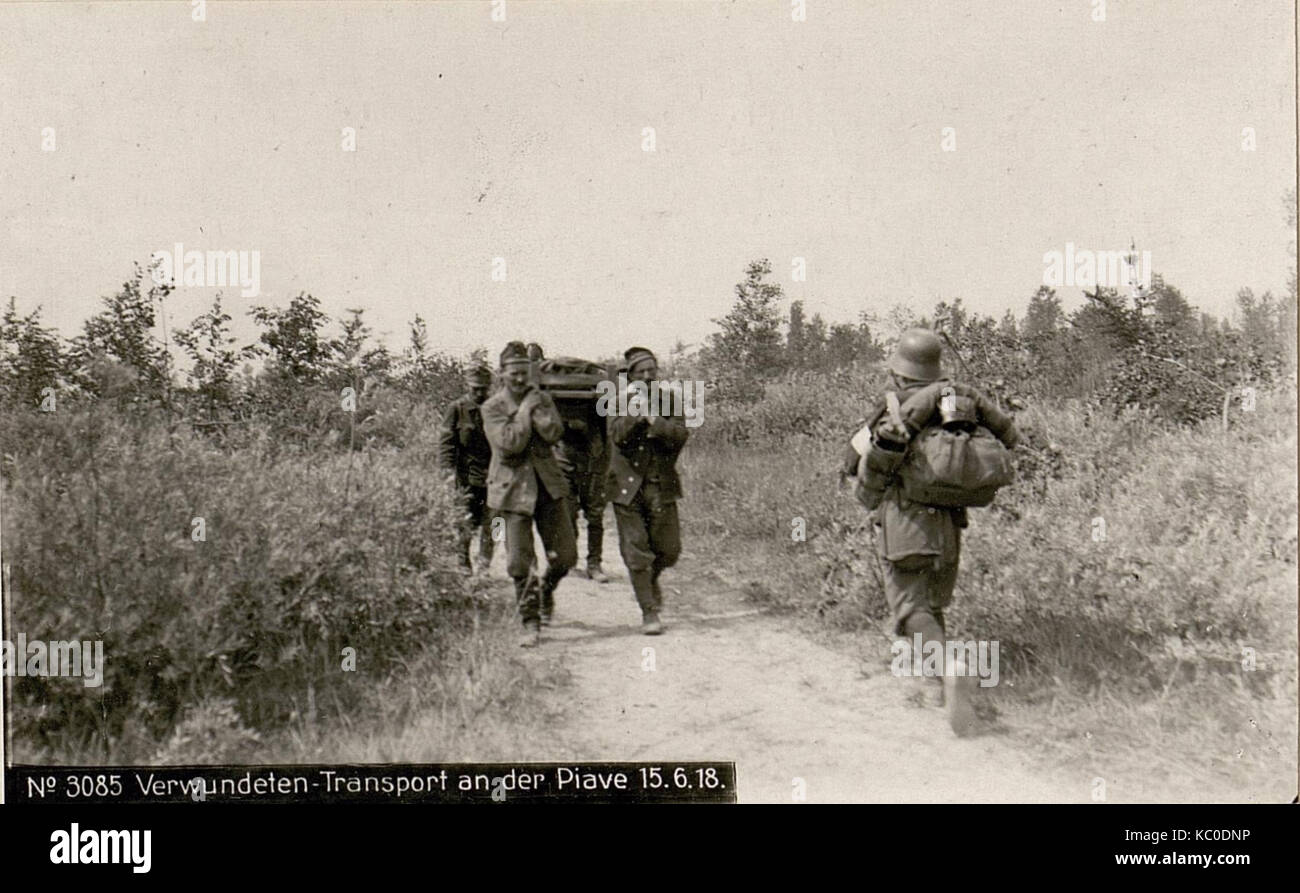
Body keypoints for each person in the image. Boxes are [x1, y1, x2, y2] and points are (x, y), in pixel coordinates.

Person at [844, 328, 1018, 734]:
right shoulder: (963, 404)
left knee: (910, 609)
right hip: (950, 524)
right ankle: (936, 685)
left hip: (905, 522)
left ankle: (948, 667)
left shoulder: (894, 407)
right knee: (932, 604)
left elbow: (852, 459)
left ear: (901, 374)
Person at [482, 341, 577, 647]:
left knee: (565, 556)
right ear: (501, 374)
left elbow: (554, 434)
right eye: (514, 375)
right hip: (512, 492)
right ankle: (530, 621)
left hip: (548, 486)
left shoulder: (542, 398)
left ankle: (546, 590)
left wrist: (537, 407)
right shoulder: (492, 407)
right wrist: (525, 410)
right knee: (520, 563)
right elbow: (509, 445)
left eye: (524, 373)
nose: (520, 380)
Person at [607, 347, 689, 635]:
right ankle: (648, 611)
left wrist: (655, 419)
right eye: (640, 372)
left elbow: (680, 435)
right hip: (626, 488)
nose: (646, 376)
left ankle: (649, 581)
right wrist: (636, 414)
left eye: (651, 371)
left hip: (661, 485)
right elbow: (616, 436)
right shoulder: (616, 401)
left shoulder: (669, 400)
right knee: (636, 549)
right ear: (630, 376)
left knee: (669, 550)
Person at [437, 363, 497, 573]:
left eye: (483, 388)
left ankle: (486, 562)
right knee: (465, 520)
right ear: (467, 386)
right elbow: (447, 442)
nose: (480, 393)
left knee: (496, 521)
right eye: (475, 388)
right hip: (467, 475)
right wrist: (447, 471)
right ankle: (463, 561)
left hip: (495, 476)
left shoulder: (496, 408)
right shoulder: (457, 408)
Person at [555, 392, 612, 584]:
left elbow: (608, 434)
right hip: (565, 466)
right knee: (569, 513)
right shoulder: (556, 403)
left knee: (595, 516)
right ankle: (571, 559)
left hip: (592, 467)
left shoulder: (599, 403)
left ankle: (594, 563)